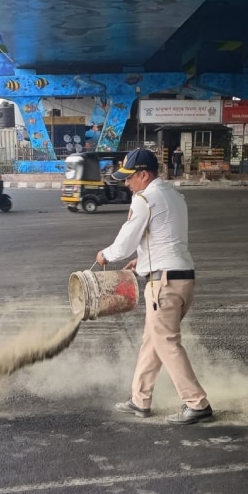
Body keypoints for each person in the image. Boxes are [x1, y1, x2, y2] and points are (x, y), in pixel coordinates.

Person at [95, 148, 212, 426]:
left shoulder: (144, 199)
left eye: (129, 177)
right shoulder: (174, 196)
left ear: (144, 175)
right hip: (182, 278)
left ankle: (197, 403)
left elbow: (124, 243)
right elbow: (167, 237)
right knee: (153, 341)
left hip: (164, 285)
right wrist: (143, 260)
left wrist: (105, 255)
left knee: (167, 343)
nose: (127, 183)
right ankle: (140, 399)